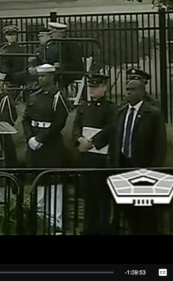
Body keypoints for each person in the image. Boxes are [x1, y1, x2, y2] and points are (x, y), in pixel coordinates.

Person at [111, 77, 167, 235]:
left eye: (133, 89)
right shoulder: (121, 113)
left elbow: (160, 145)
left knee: (145, 213)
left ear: (142, 92)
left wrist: (154, 170)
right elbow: (115, 140)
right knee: (129, 212)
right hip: (123, 167)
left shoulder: (153, 114)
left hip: (144, 168)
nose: (128, 92)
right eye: (127, 89)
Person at [23, 63, 70, 232]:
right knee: (39, 185)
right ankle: (41, 223)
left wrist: (41, 138)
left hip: (51, 144)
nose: (40, 79)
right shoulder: (34, 95)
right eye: (39, 76)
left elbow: (59, 122)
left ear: (51, 76)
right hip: (35, 143)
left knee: (54, 185)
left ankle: (55, 225)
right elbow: (26, 118)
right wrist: (30, 138)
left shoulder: (58, 96)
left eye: (43, 76)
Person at [72, 72, 116, 235]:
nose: (92, 90)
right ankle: (88, 228)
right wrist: (79, 140)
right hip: (86, 158)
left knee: (102, 198)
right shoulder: (84, 107)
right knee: (88, 197)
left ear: (104, 88)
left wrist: (92, 142)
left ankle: (101, 229)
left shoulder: (111, 108)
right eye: (90, 87)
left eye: (96, 87)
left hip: (101, 158)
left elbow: (110, 128)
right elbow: (76, 126)